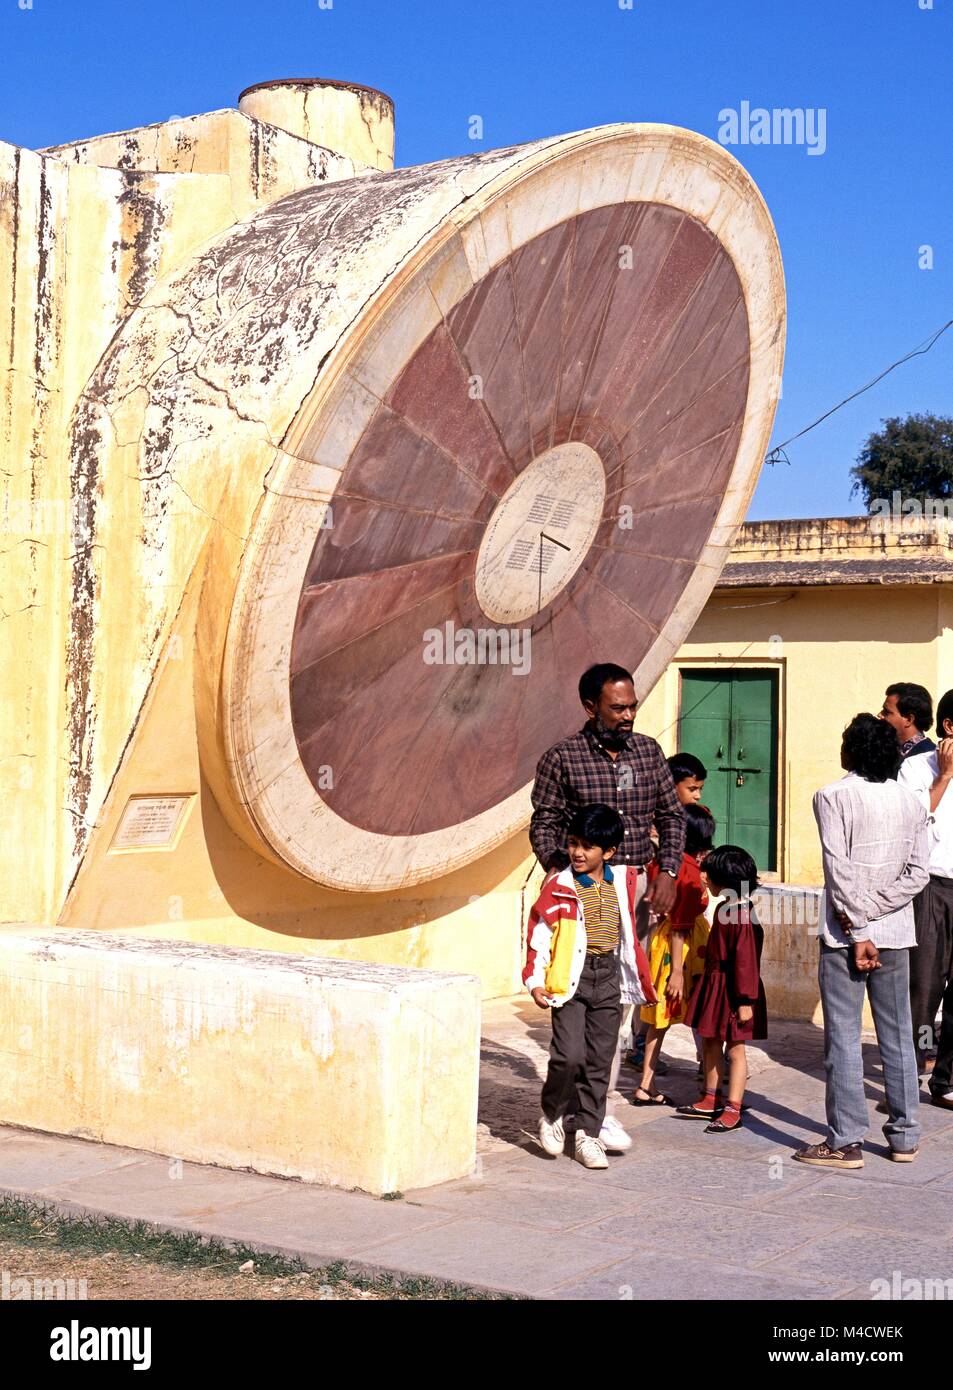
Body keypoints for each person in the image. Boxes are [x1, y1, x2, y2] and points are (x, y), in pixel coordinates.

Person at [530, 663, 686, 1123]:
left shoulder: (648, 752)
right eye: (618, 707)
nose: (629, 715)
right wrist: (564, 875)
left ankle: (595, 1110)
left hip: (635, 890)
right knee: (581, 989)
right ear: (590, 707)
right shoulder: (562, 757)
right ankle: (567, 1110)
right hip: (583, 895)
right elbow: (545, 823)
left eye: (633, 705)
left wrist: (669, 872)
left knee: (617, 1000)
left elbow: (672, 816)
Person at [795, 714, 929, 1171]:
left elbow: (840, 871)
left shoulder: (833, 796)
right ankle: (905, 1137)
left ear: (850, 751)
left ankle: (846, 1140)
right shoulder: (910, 802)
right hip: (892, 934)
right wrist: (875, 914)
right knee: (897, 1036)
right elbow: (917, 874)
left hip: (846, 937)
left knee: (845, 1038)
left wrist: (860, 928)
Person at [524, 805, 657, 1169]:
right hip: (572, 978)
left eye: (588, 847)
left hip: (608, 977)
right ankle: (552, 1115)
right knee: (568, 1055)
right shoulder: (560, 886)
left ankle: (588, 1134)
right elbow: (539, 934)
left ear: (609, 852)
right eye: (573, 844)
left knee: (600, 1059)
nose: (577, 853)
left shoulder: (623, 881)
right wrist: (535, 980)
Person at [676, 846, 766, 1132]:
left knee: (736, 1050)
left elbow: (746, 963)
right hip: (717, 987)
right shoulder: (729, 910)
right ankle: (711, 1098)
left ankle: (733, 1108)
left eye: (709, 874)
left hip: (736, 992)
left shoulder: (741, 917)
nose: (704, 878)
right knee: (710, 1041)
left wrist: (745, 1001)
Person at [635, 803, 715, 1105]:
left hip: (662, 942)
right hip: (684, 949)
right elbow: (682, 922)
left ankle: (646, 1083)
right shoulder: (689, 871)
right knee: (703, 1014)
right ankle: (711, 1083)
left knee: (659, 1019)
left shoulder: (660, 861)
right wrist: (679, 972)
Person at [898, 687, 953, 1107]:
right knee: (924, 986)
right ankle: (910, 1074)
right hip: (930, 887)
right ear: (949, 728)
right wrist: (944, 778)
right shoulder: (916, 770)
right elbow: (914, 825)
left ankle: (946, 1079)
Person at [879, 683, 936, 763]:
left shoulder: (928, 758)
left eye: (887, 712)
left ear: (909, 719)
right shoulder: (889, 752)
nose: (879, 715)